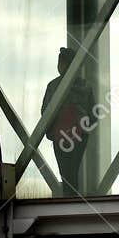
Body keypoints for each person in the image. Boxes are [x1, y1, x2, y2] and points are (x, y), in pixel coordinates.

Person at [41, 46, 96, 196]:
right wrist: (85, 128)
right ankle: (72, 202)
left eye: (62, 62)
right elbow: (94, 114)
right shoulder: (85, 86)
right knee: (71, 172)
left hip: (60, 135)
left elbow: (44, 112)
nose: (60, 65)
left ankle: (69, 201)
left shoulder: (53, 86)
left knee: (66, 174)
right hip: (77, 134)